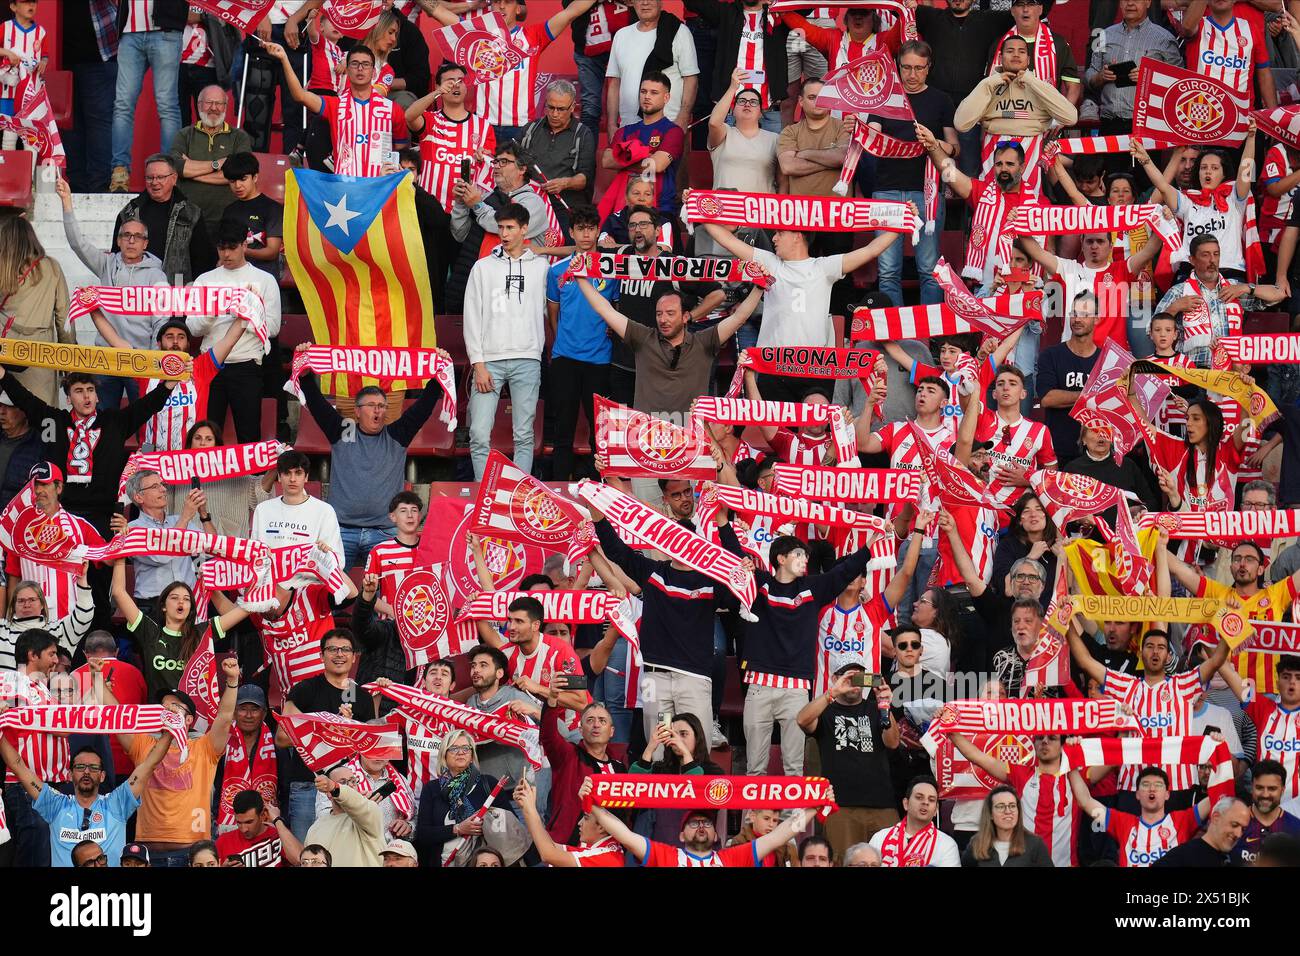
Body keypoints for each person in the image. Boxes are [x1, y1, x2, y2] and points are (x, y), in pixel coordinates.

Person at [735, 530, 916, 777]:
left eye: (857, 573)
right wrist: (743, 552)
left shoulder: (873, 611)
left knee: (857, 776)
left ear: (864, 580)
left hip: (862, 707)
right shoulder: (817, 608)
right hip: (823, 709)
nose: (850, 576)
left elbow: (905, 574)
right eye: (847, 573)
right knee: (806, 775)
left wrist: (917, 532)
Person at [701, 205, 903, 391]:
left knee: (814, 429)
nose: (774, 239)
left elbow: (871, 250)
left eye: (780, 233)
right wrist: (698, 209)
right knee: (775, 430)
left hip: (813, 367)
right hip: (773, 367)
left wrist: (903, 221)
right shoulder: (770, 262)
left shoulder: (823, 267)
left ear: (797, 236)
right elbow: (727, 241)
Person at [293, 345, 447, 568]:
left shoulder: (397, 435)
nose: (378, 411)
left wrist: (437, 373)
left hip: (384, 531)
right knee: (333, 595)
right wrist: (305, 368)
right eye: (372, 406)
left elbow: (423, 408)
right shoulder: (341, 431)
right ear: (357, 411)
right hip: (341, 529)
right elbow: (316, 403)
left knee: (389, 596)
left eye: (382, 406)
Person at [1069, 615, 1230, 808]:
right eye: (1150, 646)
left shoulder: (1183, 685)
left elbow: (1217, 660)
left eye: (1161, 647)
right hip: (1133, 786)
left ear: (1168, 654)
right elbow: (1085, 661)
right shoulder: (1126, 685)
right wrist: (1066, 620)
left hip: (1178, 785)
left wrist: (1230, 623)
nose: (1155, 652)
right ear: (1140, 652)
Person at [101, 657, 240, 866]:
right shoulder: (144, 745)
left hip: (192, 854)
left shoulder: (204, 747)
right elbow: (117, 717)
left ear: (189, 720)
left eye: (174, 707)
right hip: (148, 853)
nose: (167, 711)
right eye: (163, 708)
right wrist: (97, 681)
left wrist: (232, 680)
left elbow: (225, 716)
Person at [55, 174, 168, 410]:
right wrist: (67, 203)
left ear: (146, 243)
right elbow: (78, 244)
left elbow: (162, 319)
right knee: (104, 422)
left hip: (140, 359)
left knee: (144, 420)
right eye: (126, 235)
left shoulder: (157, 275)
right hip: (106, 357)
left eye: (138, 237)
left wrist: (152, 355)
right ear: (118, 240)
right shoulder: (107, 264)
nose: (131, 241)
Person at [575, 278, 760, 416]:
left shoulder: (704, 341)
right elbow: (604, 309)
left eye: (670, 313)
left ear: (686, 316)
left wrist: (760, 285)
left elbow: (739, 318)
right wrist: (580, 278)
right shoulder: (644, 338)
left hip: (689, 442)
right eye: (659, 314)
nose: (663, 319)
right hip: (647, 440)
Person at [463, 201, 549, 480]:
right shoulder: (482, 267)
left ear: (525, 229)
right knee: (478, 432)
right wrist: (478, 363)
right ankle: (481, 493)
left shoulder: (542, 267)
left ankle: (519, 495)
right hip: (490, 360)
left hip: (527, 358)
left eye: (511, 227)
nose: (505, 233)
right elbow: (472, 316)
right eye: (501, 227)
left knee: (524, 434)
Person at [583, 775, 832, 866]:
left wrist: (814, 807)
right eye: (694, 823)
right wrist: (593, 803)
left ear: (716, 836)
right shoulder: (667, 856)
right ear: (681, 836)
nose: (701, 826)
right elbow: (624, 835)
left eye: (707, 823)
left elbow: (781, 834)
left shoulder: (730, 858)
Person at [185, 220, 283, 444]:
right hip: (209, 365)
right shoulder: (205, 280)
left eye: (232, 247)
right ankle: (205, 478)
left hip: (246, 365)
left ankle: (252, 480)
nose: (226, 253)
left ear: (244, 245)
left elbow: (274, 327)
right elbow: (192, 327)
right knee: (205, 432)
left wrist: (243, 316)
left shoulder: (265, 280)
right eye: (222, 248)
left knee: (248, 433)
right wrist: (215, 310)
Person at [277, 628, 376, 841]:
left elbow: (371, 752)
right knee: (307, 855)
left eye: (345, 650)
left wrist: (350, 730)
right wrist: (329, 725)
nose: (339, 654)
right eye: (332, 649)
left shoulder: (363, 698)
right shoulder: (305, 689)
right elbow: (282, 738)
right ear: (322, 655)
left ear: (354, 656)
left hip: (349, 787)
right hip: (308, 785)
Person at [797, 664, 900, 859]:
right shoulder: (826, 710)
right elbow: (802, 720)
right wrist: (832, 693)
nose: (854, 684)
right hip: (840, 806)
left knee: (890, 862)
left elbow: (893, 742)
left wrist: (885, 704)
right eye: (849, 678)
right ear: (836, 679)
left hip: (882, 804)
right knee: (843, 862)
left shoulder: (875, 708)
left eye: (860, 678)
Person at [262, 41, 407, 177]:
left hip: (379, 190)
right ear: (347, 71)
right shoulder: (336, 105)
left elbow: (401, 153)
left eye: (366, 64)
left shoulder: (392, 109)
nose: (360, 68)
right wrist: (284, 59)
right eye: (355, 64)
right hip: (343, 190)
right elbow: (300, 95)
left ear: (374, 73)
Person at [547, 205, 617, 479]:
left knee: (599, 433)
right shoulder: (557, 271)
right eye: (581, 229)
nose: (586, 234)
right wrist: (563, 340)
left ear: (598, 231)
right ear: (571, 232)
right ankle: (558, 487)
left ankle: (600, 488)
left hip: (599, 360)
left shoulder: (611, 270)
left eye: (591, 228)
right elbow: (554, 314)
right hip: (565, 358)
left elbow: (617, 310)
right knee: (563, 429)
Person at [947, 731, 1084, 867]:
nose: (1044, 741)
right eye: (1040, 737)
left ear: (1062, 744)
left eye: (1052, 738)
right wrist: (950, 729)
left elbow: (1106, 762)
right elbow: (978, 757)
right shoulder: (1021, 774)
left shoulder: (1076, 776)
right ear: (1033, 742)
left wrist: (1079, 748)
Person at [447, 140, 554, 311]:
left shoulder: (533, 202)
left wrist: (477, 205)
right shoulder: (487, 198)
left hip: (518, 289)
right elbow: (460, 234)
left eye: (504, 162)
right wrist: (460, 204)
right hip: (482, 282)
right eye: (496, 161)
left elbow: (505, 227)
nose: (496, 166)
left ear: (522, 169)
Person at [1153, 233, 1285, 367]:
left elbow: (1279, 294)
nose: (1212, 260)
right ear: (1192, 260)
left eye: (1216, 254)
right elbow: (1151, 329)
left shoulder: (1234, 288)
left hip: (1230, 372)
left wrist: (1246, 287)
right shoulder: (1178, 291)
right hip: (1191, 373)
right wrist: (1175, 307)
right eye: (1205, 255)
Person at [110, 0, 186, 194]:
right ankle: (120, 170)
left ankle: (169, 171)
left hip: (165, 29)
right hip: (129, 31)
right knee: (123, 105)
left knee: (167, 105)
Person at [406, 61, 497, 216]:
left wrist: (484, 157)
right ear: (438, 87)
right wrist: (437, 93)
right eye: (450, 82)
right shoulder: (430, 119)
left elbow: (491, 169)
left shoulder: (483, 126)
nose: (456, 85)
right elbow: (409, 115)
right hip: (429, 209)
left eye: (460, 81)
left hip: (464, 213)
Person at [115, 468, 213, 609]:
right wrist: (185, 517)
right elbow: (161, 556)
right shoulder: (132, 529)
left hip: (189, 601)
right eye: (155, 486)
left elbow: (212, 549)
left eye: (162, 484)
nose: (163, 490)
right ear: (139, 497)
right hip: (155, 604)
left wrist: (204, 514)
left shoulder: (178, 521)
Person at [112, 153, 216, 285]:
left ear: (174, 179)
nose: (155, 182)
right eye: (150, 178)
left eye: (160, 177)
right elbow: (115, 256)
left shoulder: (191, 213)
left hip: (177, 293)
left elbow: (202, 259)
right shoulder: (130, 212)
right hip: (136, 292)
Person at [414, 729, 513, 867]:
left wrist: (488, 824)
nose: (461, 752)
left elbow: (510, 827)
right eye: (454, 748)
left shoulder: (489, 784)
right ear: (444, 755)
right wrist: (458, 829)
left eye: (466, 748)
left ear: (472, 755)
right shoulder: (432, 789)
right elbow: (423, 835)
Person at [1086, 0, 1180, 142]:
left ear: (1148, 3)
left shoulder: (1164, 38)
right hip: (1109, 123)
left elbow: (1178, 81)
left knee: (1146, 165)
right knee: (1111, 165)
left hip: (1147, 126)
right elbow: (1090, 74)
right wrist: (1100, 77)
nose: (1130, 3)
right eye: (1125, 0)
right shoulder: (1105, 34)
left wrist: (1149, 77)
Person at [0, 217, 70, 407]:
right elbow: (64, 319)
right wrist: (69, 355)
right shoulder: (52, 267)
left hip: (4, 347)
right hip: (40, 351)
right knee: (41, 412)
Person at [604, 0, 698, 136]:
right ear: (632, 3)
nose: (645, 3)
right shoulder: (621, 35)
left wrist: (683, 117)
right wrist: (612, 124)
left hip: (669, 125)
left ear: (661, 3)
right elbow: (614, 83)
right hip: (628, 127)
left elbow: (691, 79)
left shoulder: (678, 32)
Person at [168, 85, 251, 237]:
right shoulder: (184, 135)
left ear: (225, 106)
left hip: (228, 220)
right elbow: (176, 167)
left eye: (219, 103)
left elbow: (240, 172)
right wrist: (217, 164)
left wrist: (192, 173)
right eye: (209, 103)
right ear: (199, 105)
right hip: (187, 220)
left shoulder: (239, 137)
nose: (214, 108)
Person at [601, 73, 685, 220]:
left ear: (666, 98)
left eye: (654, 93)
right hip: (625, 208)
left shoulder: (673, 131)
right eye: (643, 91)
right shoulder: (625, 130)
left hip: (660, 208)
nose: (647, 96)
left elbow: (657, 165)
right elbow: (607, 160)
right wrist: (647, 157)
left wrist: (623, 160)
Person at [1035, 291, 1101, 464]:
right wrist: (1089, 396)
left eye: (1085, 315)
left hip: (1095, 454)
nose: (1077, 319)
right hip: (1057, 451)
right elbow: (1047, 399)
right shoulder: (1050, 355)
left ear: (1097, 319)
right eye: (1074, 314)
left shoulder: (1105, 361)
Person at [518, 78, 597, 217]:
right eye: (550, 107)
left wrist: (565, 183)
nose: (554, 114)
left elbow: (585, 178)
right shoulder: (530, 129)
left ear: (572, 107)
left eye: (561, 109)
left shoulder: (583, 134)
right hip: (530, 202)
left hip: (565, 204)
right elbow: (511, 160)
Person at [251, 450, 344, 556]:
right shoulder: (263, 509)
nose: (292, 479)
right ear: (279, 477)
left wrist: (326, 552)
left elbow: (338, 560)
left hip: (307, 572)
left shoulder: (325, 511)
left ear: (306, 477)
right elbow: (254, 554)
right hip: (271, 572)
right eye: (287, 473)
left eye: (298, 473)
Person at [514, 776, 623, 867]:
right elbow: (551, 846)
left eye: (585, 817)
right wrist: (527, 807)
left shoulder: (608, 858)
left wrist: (530, 809)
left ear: (602, 827)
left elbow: (548, 855)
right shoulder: (596, 842)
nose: (579, 823)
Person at [1184, 0, 1275, 105]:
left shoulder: (1251, 29)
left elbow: (1264, 74)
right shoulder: (1198, 26)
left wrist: (1273, 114)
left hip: (1241, 113)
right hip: (1201, 112)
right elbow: (1187, 27)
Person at [706, 70, 779, 197]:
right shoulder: (725, 133)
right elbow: (714, 123)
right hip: (725, 207)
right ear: (733, 110)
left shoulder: (774, 139)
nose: (747, 104)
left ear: (761, 113)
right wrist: (733, 87)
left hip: (760, 210)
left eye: (754, 102)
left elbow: (783, 182)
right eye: (741, 101)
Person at [776, 79, 848, 201]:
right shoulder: (789, 132)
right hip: (800, 212)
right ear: (801, 101)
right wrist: (831, 162)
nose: (818, 101)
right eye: (812, 97)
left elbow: (842, 158)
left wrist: (805, 153)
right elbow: (788, 167)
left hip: (837, 212)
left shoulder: (844, 127)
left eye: (822, 97)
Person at [868, 776, 961, 867]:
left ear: (936, 810)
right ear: (906, 804)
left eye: (931, 800)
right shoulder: (880, 838)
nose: (925, 802)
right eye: (919, 797)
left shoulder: (947, 845)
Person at [305, 764, 385, 868]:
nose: (351, 785)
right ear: (328, 793)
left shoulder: (369, 811)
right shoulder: (315, 828)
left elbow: (359, 805)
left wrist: (335, 787)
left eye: (353, 781)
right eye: (342, 782)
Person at [219, 152, 284, 281]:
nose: (237, 186)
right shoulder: (229, 210)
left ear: (255, 177)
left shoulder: (272, 208)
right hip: (233, 280)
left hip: (264, 279)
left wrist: (241, 251)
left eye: (243, 179)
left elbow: (272, 251)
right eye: (232, 181)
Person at [961, 784, 1054, 867]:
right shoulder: (977, 843)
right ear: (990, 814)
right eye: (1001, 806)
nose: (1008, 811)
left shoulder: (1035, 844)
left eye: (1012, 806)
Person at [1149, 796, 1250, 867]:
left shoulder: (1236, 861)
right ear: (1216, 817)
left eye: (1243, 829)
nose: (1238, 834)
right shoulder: (1183, 856)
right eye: (1234, 825)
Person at [215, 789, 303, 867]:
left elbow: (300, 860)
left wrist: (277, 820)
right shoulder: (223, 841)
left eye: (249, 822)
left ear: (262, 815)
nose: (244, 829)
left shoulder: (280, 836)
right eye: (239, 822)